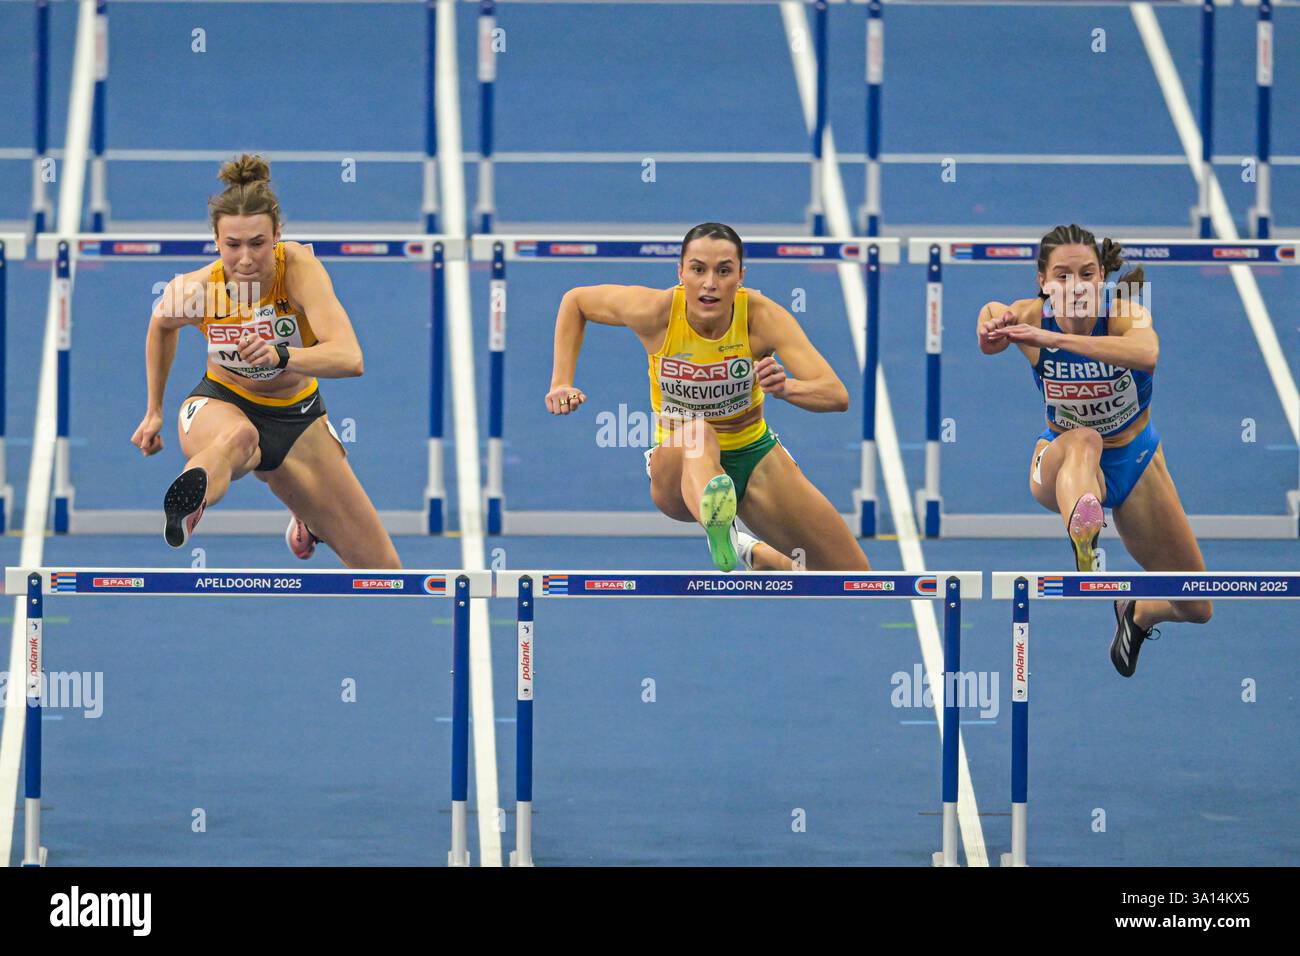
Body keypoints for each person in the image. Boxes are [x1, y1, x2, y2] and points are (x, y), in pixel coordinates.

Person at [546, 222, 871, 573]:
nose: (710, 283)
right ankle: (726, 534)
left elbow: (836, 394)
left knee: (853, 578)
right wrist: (561, 382)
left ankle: (753, 552)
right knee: (700, 434)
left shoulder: (763, 318)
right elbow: (576, 301)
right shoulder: (655, 311)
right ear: (681, 273)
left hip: (752, 456)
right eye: (698, 269)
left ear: (741, 276)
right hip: (677, 468)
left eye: (724, 271)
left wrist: (786, 388)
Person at [130, 154, 400, 569]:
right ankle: (189, 505)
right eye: (232, 245)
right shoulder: (197, 289)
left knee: (384, 573)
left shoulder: (298, 271)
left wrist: (283, 355)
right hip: (221, 402)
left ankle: (307, 519)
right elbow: (160, 325)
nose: (244, 259)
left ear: (277, 235)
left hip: (297, 419)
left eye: (257, 243)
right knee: (239, 438)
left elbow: (350, 357)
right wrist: (153, 411)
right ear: (216, 242)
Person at [977, 223, 1211, 676]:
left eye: (1086, 274)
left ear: (1102, 278)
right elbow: (991, 321)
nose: (1076, 286)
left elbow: (1147, 355)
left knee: (1196, 604)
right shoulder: (1029, 315)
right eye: (1062, 276)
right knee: (1085, 438)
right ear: (1042, 282)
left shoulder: (1126, 316)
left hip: (1135, 462)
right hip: (1060, 461)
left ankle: (1137, 610)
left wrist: (1055, 340)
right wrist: (992, 326)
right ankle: (1084, 533)